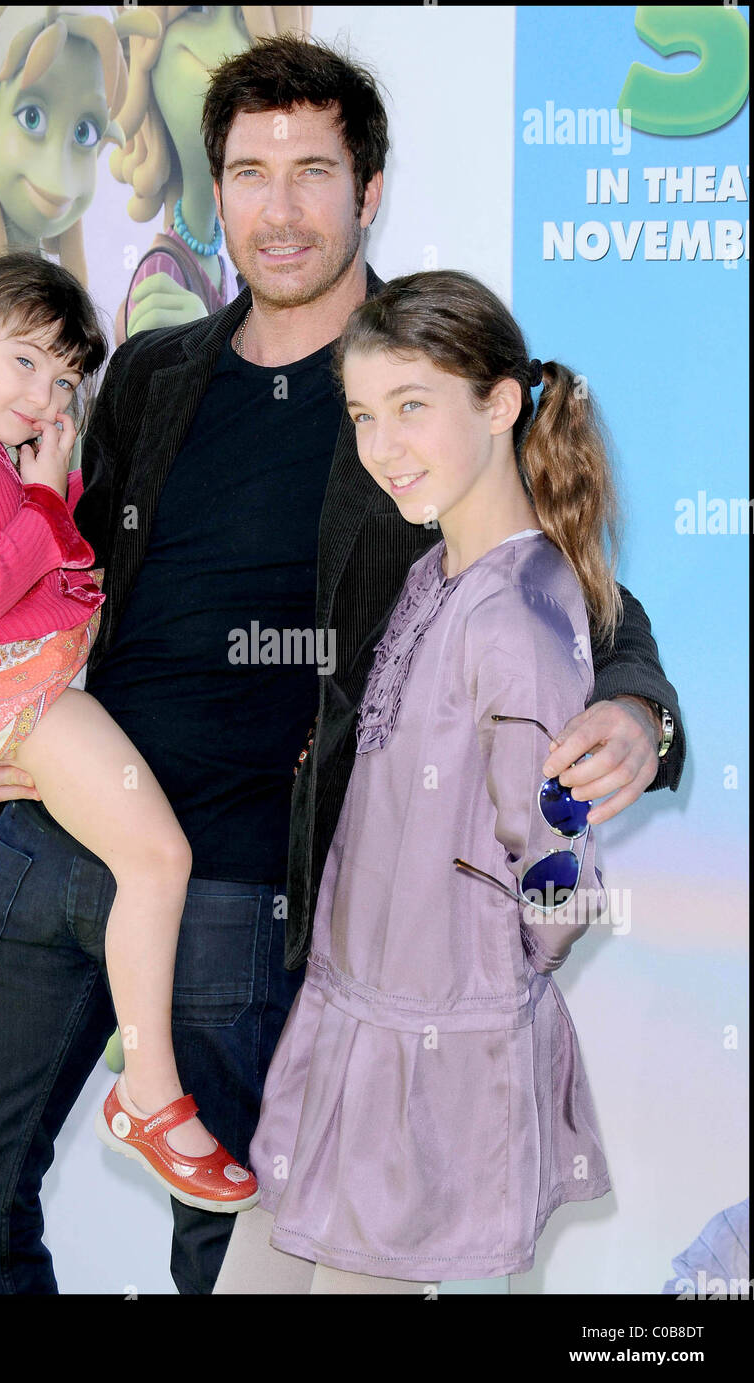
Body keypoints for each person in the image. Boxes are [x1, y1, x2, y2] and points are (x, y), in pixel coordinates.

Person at [0, 36, 684, 1296]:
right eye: (250, 171)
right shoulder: (155, 372)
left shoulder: (411, 380)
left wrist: (639, 706)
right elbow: (33, 564)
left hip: (243, 890)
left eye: (312, 170)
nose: (278, 207)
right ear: (217, 192)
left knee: (235, 1250)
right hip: (54, 836)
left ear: (369, 191)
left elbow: (564, 575)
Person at [214, 268, 622, 1293]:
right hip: (344, 1031)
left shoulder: (517, 617)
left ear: (497, 403)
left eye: (411, 409)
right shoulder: (429, 571)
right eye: (362, 415)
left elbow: (558, 869)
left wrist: (475, 980)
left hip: (428, 1058)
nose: (382, 446)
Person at [0, 250, 258, 1217]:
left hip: (2, 696)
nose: (45, 395)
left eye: (66, 379)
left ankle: (149, 1093)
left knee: (145, 860)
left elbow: (60, 572)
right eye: (27, 363)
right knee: (158, 858)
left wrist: (45, 485)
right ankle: (150, 1096)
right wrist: (45, 491)